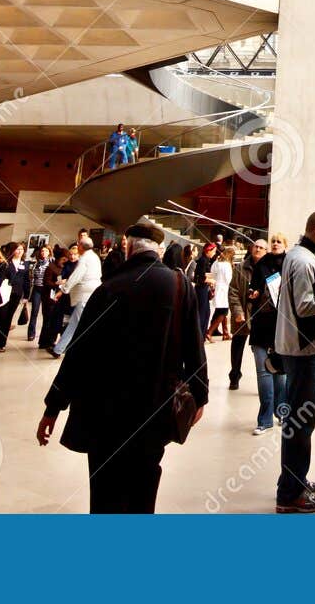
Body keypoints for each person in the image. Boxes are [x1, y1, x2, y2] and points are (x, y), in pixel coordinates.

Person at [37, 220, 207, 513]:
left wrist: (54, 406)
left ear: (127, 247)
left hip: (105, 413)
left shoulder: (108, 290)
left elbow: (78, 356)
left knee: (105, 490)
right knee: (144, 485)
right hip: (154, 408)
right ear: (161, 249)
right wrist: (200, 396)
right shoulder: (180, 286)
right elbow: (195, 347)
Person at [275, 210, 315, 513]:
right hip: (302, 348)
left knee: (299, 420)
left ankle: (295, 479)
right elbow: (305, 304)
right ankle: (290, 493)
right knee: (299, 422)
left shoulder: (301, 257)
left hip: (302, 347)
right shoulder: (301, 259)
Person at [246, 233, 288, 434]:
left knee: (280, 374)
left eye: (279, 241)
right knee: (263, 373)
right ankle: (264, 419)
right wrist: (253, 293)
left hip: (281, 326)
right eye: (273, 241)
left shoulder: (290, 264)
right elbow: (252, 288)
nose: (275, 244)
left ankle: (282, 413)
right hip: (261, 324)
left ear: (285, 245)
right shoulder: (261, 264)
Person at [52, 234, 101, 357]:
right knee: (78, 321)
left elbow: (76, 277)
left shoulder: (84, 259)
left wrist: (62, 290)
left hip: (84, 294)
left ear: (81, 247)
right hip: (93, 292)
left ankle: (59, 349)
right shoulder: (94, 257)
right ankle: (60, 348)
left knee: (75, 322)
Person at [227, 239, 260, 389]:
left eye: (261, 247)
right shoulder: (240, 268)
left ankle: (263, 379)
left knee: (260, 350)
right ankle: (234, 375)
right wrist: (238, 312)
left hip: (260, 315)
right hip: (242, 314)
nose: (258, 249)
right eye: (256, 247)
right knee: (237, 345)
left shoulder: (270, 269)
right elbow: (233, 291)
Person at [25, 244, 51, 343]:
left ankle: (45, 335)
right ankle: (31, 333)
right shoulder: (36, 263)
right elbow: (31, 277)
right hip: (37, 289)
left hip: (46, 290)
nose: (44, 253)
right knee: (34, 312)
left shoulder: (51, 264)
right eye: (42, 251)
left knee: (46, 313)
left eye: (46, 251)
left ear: (49, 252)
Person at [207, 244, 233, 342]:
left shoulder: (216, 262)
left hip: (217, 287)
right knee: (223, 312)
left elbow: (212, 273)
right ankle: (209, 332)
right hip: (224, 289)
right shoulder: (227, 265)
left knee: (220, 311)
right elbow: (228, 279)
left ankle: (225, 333)